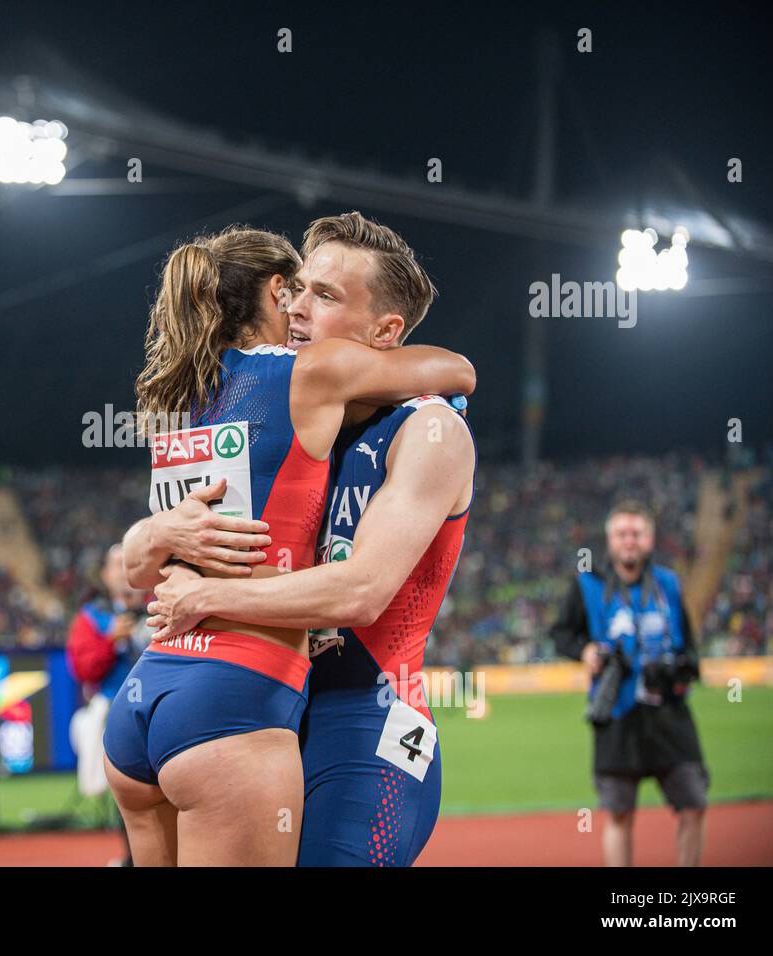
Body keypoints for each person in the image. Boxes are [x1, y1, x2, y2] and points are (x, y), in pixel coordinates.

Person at [105, 223, 475, 866]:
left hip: (366, 717)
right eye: (296, 288)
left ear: (385, 335)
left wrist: (206, 595)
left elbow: (361, 591)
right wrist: (154, 533)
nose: (298, 307)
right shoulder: (280, 416)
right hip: (260, 703)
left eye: (325, 296)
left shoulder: (429, 428)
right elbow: (155, 555)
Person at [551, 500, 706, 866]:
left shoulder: (668, 584)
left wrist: (683, 672)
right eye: (622, 534)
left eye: (637, 533)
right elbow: (559, 634)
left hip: (669, 713)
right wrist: (585, 651)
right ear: (610, 540)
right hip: (616, 713)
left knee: (694, 804)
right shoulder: (587, 584)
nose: (629, 541)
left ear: (650, 539)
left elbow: (690, 648)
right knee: (619, 814)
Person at [66, 543, 148, 865]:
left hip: (162, 710)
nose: (125, 570)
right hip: (118, 713)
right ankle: (134, 857)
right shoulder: (91, 617)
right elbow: (83, 671)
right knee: (128, 791)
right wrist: (110, 640)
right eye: (117, 564)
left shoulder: (168, 603)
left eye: (131, 561)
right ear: (105, 574)